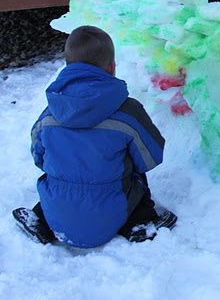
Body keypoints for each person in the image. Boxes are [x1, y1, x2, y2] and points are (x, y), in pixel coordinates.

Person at [12, 25, 177, 248]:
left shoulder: (49, 114)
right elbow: (150, 157)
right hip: (112, 210)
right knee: (134, 175)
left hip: (56, 213)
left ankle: (39, 220)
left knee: (60, 179)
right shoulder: (128, 111)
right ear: (112, 68)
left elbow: (39, 158)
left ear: (67, 64)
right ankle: (140, 223)